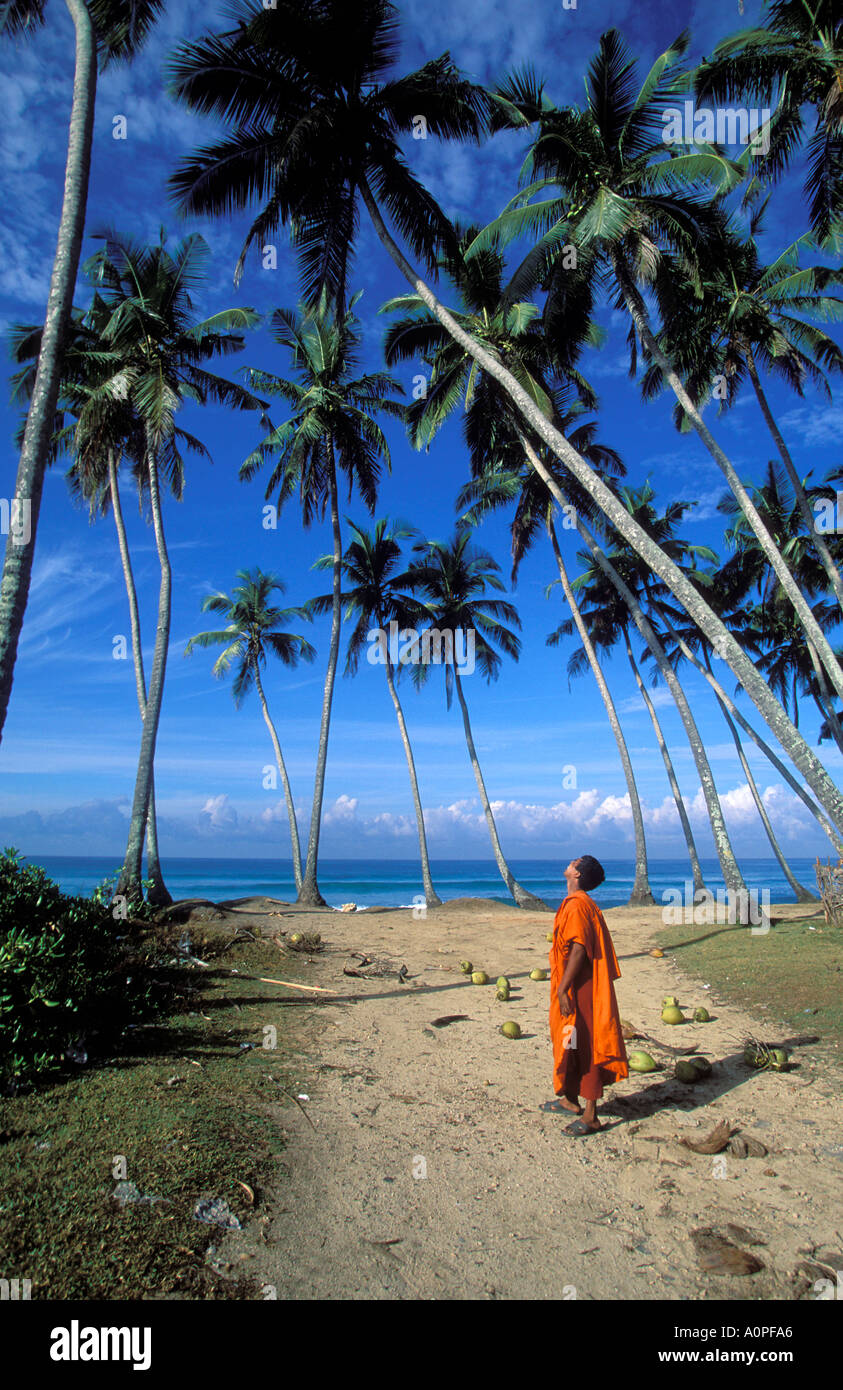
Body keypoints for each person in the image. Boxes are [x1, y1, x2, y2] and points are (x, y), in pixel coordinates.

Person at [541, 855, 628, 1135]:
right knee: (571, 1040)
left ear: (576, 874)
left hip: (582, 986)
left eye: (574, 861)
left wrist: (564, 987)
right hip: (574, 983)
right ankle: (569, 1099)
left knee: (587, 1042)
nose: (569, 861)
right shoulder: (577, 903)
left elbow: (578, 949)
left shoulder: (579, 906)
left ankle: (591, 1116)